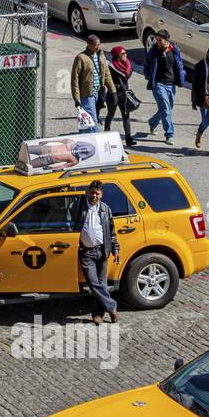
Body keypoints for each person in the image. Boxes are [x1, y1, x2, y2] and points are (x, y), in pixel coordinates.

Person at [72, 180, 119, 324]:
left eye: (97, 193)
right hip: (86, 253)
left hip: (102, 251)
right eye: (92, 192)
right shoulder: (78, 207)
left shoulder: (105, 209)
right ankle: (112, 307)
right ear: (87, 192)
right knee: (93, 283)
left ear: (101, 195)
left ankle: (98, 315)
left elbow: (112, 232)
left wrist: (115, 249)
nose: (94, 195)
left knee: (102, 285)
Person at [143, 29, 186, 144]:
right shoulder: (153, 51)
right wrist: (148, 76)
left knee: (167, 108)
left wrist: (182, 74)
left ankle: (152, 122)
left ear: (166, 40)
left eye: (160, 40)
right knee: (166, 109)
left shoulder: (174, 49)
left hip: (171, 83)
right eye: (156, 40)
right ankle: (169, 134)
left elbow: (179, 63)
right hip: (158, 84)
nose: (157, 42)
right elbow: (146, 64)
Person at [71, 35, 114, 135]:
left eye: (99, 44)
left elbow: (106, 73)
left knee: (86, 122)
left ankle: (83, 140)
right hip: (87, 95)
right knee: (93, 121)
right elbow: (74, 79)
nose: (97, 47)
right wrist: (76, 98)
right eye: (95, 45)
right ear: (88, 44)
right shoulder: (81, 58)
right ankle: (97, 141)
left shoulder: (100, 55)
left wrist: (113, 91)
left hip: (98, 93)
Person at [103, 45, 137, 147]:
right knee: (110, 115)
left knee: (126, 116)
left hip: (124, 94)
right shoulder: (111, 66)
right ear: (117, 56)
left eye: (125, 52)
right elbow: (107, 80)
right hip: (113, 95)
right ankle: (106, 135)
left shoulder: (127, 65)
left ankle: (128, 139)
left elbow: (127, 75)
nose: (125, 55)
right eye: (123, 54)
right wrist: (114, 91)